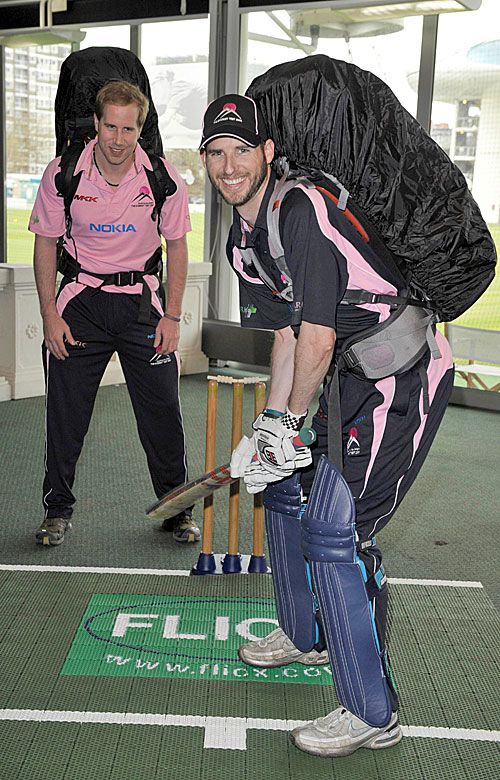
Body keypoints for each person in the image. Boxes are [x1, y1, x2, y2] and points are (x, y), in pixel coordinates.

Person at [200, 94, 454, 757]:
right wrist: (270, 430)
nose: (228, 167)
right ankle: (305, 635)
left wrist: (286, 423)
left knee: (338, 533)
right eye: (215, 154)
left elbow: (316, 335)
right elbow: (288, 337)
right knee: (282, 489)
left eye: (240, 151)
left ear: (267, 153)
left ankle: (373, 711)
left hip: (398, 373)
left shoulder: (301, 210)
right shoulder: (242, 245)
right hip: (344, 374)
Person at [29, 80, 200, 546]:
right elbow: (45, 242)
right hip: (80, 303)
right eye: (110, 126)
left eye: (129, 129)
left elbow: (178, 246)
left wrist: (173, 315)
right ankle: (57, 510)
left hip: (144, 305)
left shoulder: (161, 178)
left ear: (140, 130)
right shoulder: (63, 173)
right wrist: (49, 313)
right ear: (96, 124)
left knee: (163, 412)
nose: (118, 139)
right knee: (66, 415)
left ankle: (175, 509)